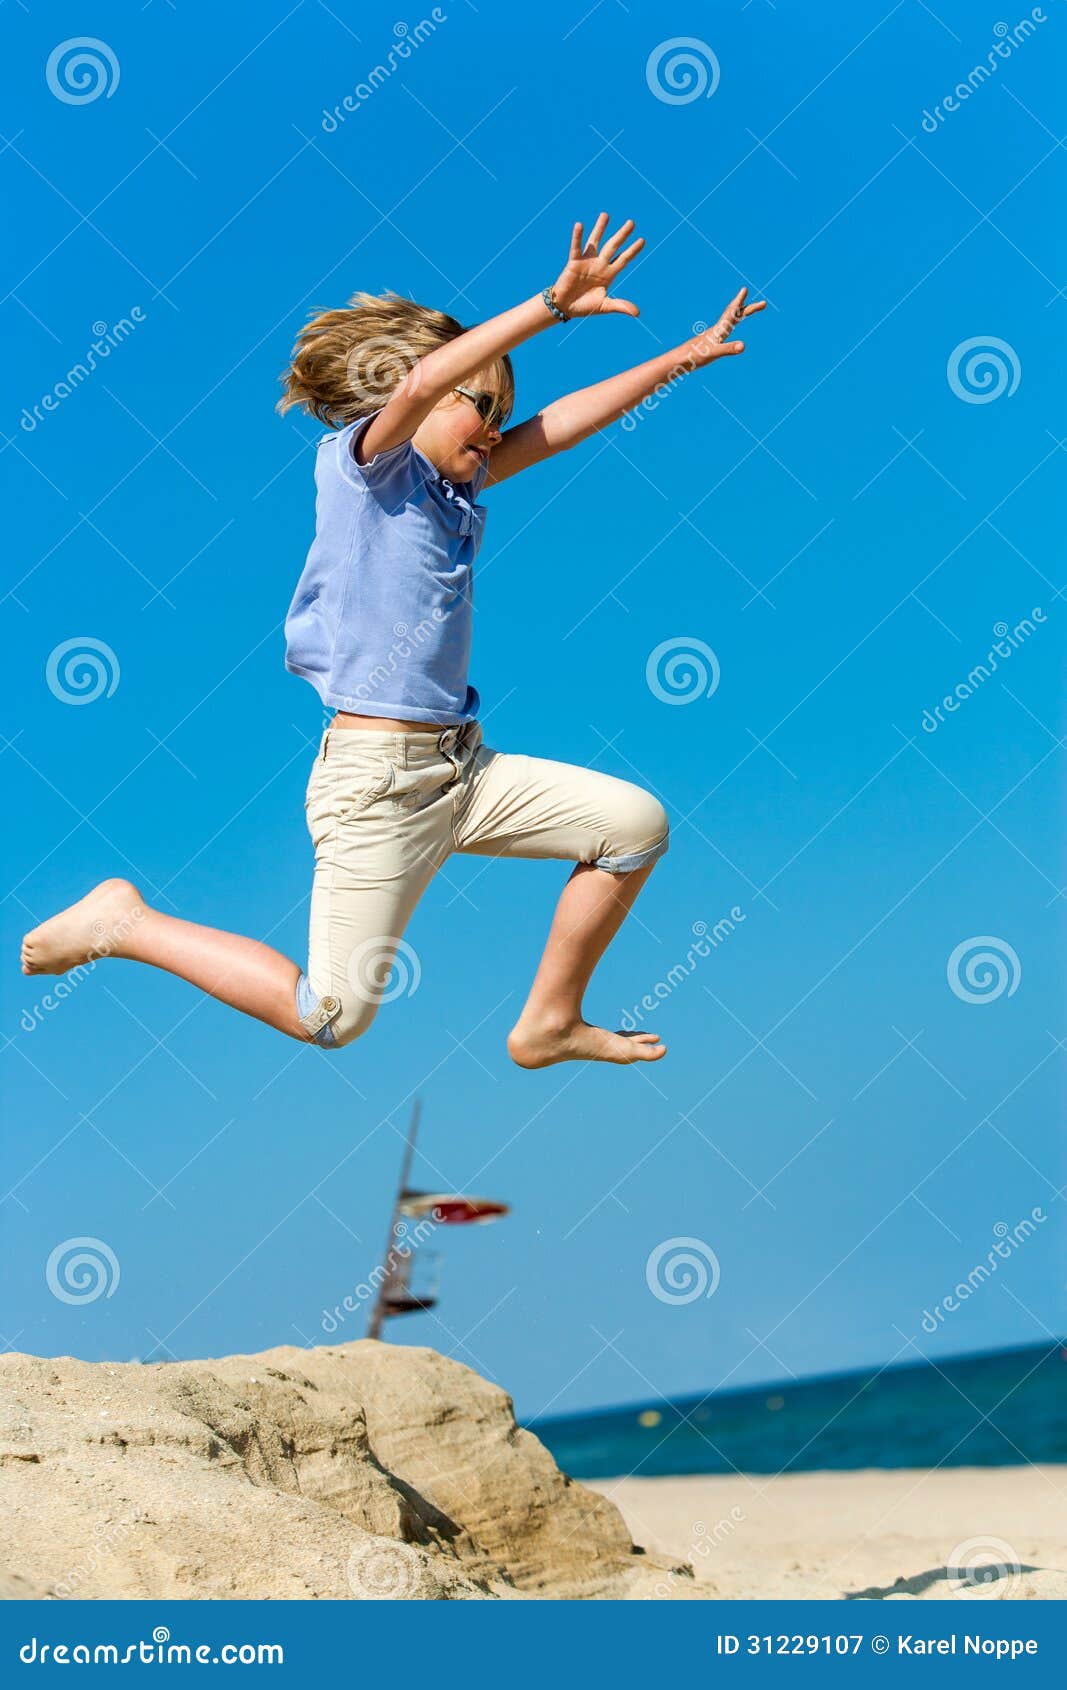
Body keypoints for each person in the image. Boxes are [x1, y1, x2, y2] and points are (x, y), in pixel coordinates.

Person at [22, 214, 764, 1068]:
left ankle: (549, 1021)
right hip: (374, 788)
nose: (494, 429)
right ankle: (125, 923)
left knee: (634, 825)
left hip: (462, 772)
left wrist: (681, 358)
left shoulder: (457, 492)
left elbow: (558, 425)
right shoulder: (367, 466)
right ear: (416, 389)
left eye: (500, 415)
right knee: (331, 1016)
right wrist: (550, 306)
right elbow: (420, 391)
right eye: (481, 406)